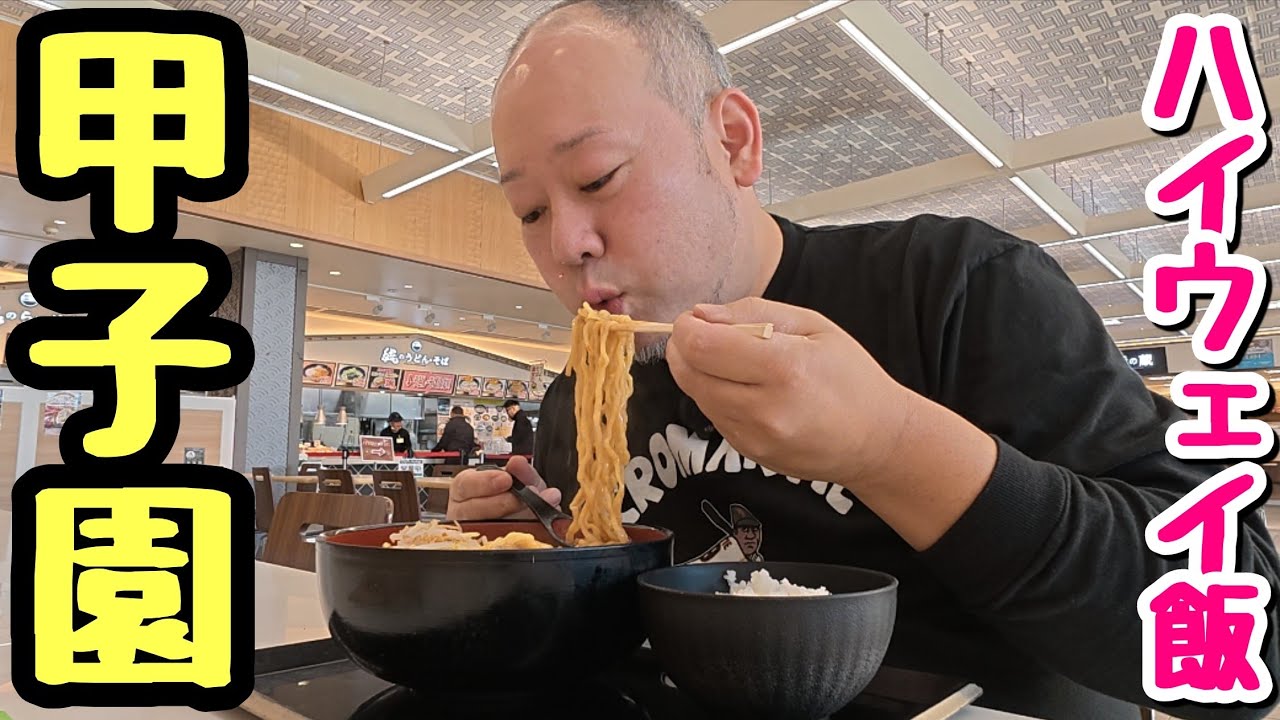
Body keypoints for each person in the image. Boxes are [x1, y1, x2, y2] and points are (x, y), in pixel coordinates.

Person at [448, 2, 1280, 719]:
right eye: (528, 209)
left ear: (733, 142)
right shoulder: (577, 403)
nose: (564, 244)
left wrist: (891, 444)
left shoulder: (956, 288)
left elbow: (1241, 631)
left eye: (597, 178)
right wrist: (527, 571)